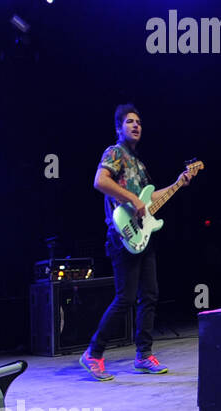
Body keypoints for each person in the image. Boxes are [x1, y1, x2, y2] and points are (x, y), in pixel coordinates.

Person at [80, 105, 191, 380]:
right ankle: (93, 352)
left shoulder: (139, 164)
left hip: (144, 236)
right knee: (125, 297)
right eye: (129, 122)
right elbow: (100, 181)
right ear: (119, 128)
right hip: (122, 234)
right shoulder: (114, 152)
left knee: (149, 296)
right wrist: (132, 199)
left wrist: (178, 183)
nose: (136, 125)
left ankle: (143, 355)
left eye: (139, 122)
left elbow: (149, 200)